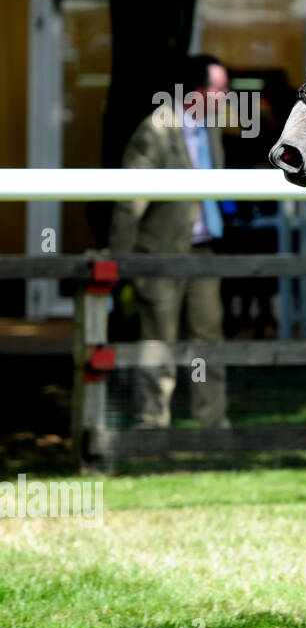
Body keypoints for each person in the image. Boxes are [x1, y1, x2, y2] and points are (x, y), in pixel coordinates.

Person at [109, 54, 230, 429]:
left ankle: (213, 422)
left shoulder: (209, 128)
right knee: (158, 339)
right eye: (221, 89)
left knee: (208, 336)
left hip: (203, 250)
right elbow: (130, 202)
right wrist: (122, 262)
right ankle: (152, 422)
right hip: (161, 253)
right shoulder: (156, 129)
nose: (228, 96)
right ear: (198, 93)